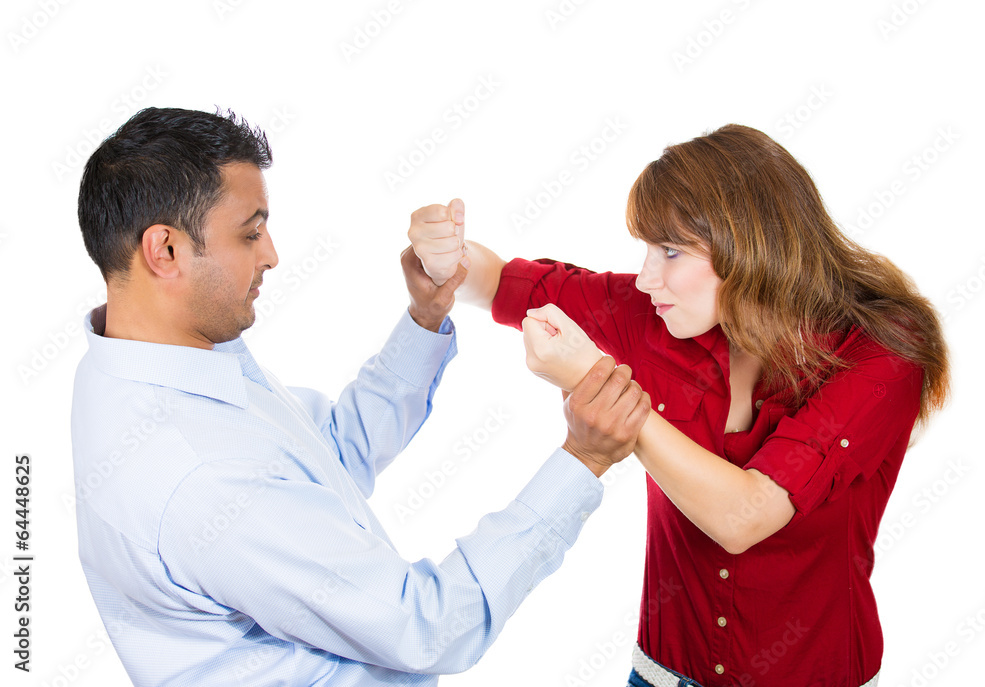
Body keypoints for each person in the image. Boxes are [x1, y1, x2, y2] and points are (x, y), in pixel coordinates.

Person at [70, 106, 650, 687]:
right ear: (164, 250)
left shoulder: (151, 357)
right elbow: (426, 628)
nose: (272, 254)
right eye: (250, 233)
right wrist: (584, 459)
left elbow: (330, 458)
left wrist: (426, 318)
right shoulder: (198, 474)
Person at [408, 124, 950, 687]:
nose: (646, 278)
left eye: (670, 251)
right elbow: (496, 283)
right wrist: (446, 257)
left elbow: (746, 517)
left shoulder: (880, 348)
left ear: (753, 246)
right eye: (646, 249)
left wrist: (601, 386)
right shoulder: (656, 314)